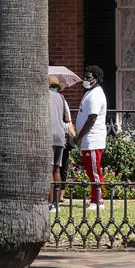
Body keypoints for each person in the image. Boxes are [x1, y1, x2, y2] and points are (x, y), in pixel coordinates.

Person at [74, 65, 108, 210]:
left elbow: (92, 117)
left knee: (94, 171)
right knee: (90, 171)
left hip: (92, 138)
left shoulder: (96, 94)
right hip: (88, 140)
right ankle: (94, 198)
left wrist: (79, 136)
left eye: (88, 77)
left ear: (96, 78)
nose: (85, 80)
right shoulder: (90, 93)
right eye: (85, 77)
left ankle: (98, 201)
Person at [48, 75, 74, 206]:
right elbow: (66, 118)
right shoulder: (62, 98)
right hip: (60, 136)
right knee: (57, 169)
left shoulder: (44, 96)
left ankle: (50, 201)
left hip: (48, 135)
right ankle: (57, 201)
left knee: (49, 169)